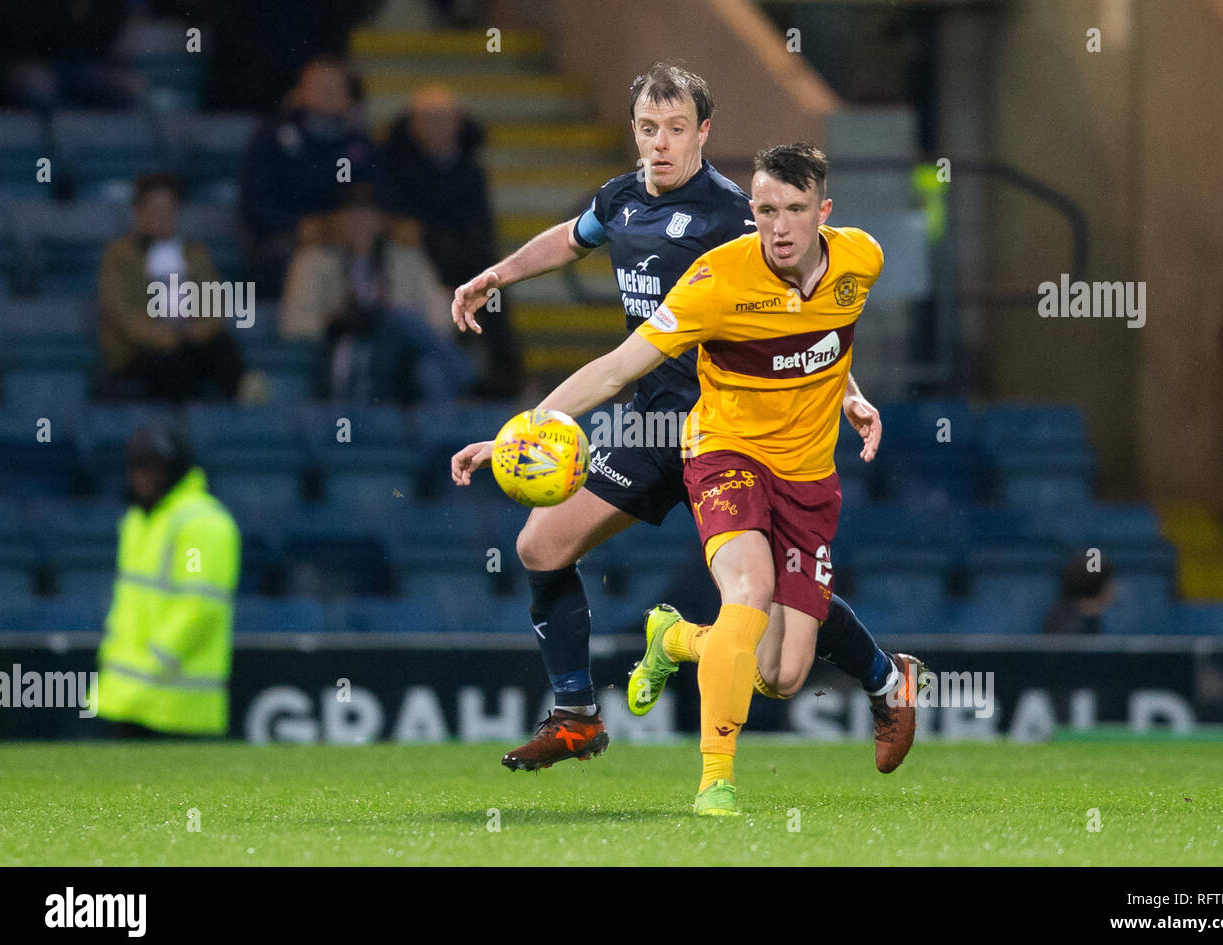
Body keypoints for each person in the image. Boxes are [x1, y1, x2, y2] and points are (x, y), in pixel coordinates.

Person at [450, 66, 908, 776]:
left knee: (770, 633)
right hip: (645, 428)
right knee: (540, 545)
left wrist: (846, 391)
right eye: (645, 129)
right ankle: (575, 715)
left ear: (703, 132)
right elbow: (573, 240)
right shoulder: (623, 198)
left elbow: (798, 310)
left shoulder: (734, 216)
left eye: (673, 129)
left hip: (723, 434)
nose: (658, 145)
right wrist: (498, 276)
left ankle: (878, 676)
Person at [95, 421, 241, 738]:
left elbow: (198, 605)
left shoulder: (201, 523)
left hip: (178, 705)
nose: (141, 476)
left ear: (173, 468)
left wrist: (154, 663)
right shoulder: (137, 520)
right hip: (126, 699)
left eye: (151, 467)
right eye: (136, 466)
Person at [380, 84, 522, 395]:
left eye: (443, 118)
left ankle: (504, 384)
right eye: (427, 119)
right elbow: (398, 229)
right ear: (413, 125)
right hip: (418, 269)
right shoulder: (395, 169)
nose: (436, 127)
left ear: (458, 123)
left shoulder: (470, 173)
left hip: (460, 264)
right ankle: (459, 377)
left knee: (495, 289)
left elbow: (479, 234)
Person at [279, 185, 469, 404]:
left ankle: (439, 431)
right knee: (401, 320)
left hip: (398, 353)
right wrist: (335, 320)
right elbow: (293, 323)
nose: (360, 222)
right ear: (337, 219)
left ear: (381, 220)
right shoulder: (313, 261)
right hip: (343, 347)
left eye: (368, 214)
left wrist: (397, 320)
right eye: (352, 214)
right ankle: (465, 377)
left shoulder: (407, 258)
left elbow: (441, 315)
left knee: (424, 362)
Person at [97, 172, 245, 401]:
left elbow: (216, 305)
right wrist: (160, 336)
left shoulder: (194, 253)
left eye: (168, 210)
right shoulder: (120, 255)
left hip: (190, 339)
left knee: (227, 354)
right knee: (171, 364)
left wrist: (198, 330)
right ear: (139, 213)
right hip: (142, 348)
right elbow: (119, 311)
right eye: (156, 210)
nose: (163, 217)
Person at [239, 56, 378, 297]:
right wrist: (300, 228)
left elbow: (376, 197)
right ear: (300, 92)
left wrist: (342, 226)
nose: (326, 94)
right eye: (318, 87)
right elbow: (255, 205)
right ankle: (305, 332)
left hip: (348, 237)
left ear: (349, 95)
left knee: (392, 254)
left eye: (334, 87)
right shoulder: (272, 138)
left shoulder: (360, 144)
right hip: (289, 238)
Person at [1044, 553, 1116, 635]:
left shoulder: (1092, 618)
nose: (1114, 588)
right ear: (1101, 587)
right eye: (1110, 583)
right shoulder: (1067, 624)